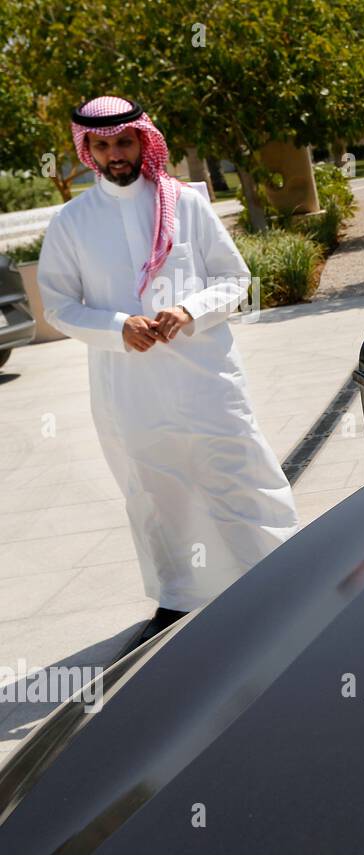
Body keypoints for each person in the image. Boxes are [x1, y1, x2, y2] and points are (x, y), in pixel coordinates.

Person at [38, 95, 299, 645]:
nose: (115, 154)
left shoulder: (185, 204)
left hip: (207, 379)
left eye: (124, 141)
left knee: (240, 473)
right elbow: (59, 304)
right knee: (154, 491)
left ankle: (281, 576)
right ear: (88, 150)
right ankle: (180, 598)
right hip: (129, 390)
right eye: (103, 145)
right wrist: (116, 328)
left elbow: (236, 280)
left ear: (142, 140)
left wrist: (190, 311)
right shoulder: (73, 222)